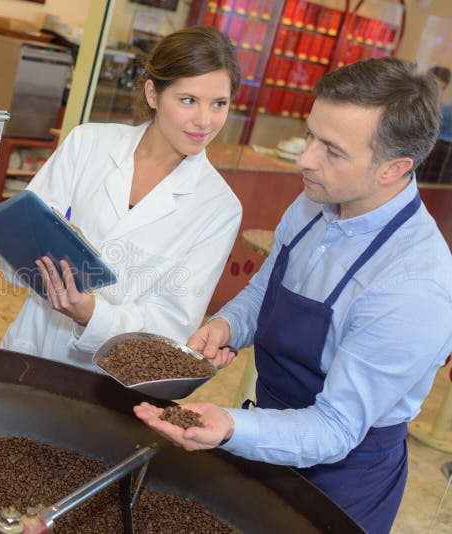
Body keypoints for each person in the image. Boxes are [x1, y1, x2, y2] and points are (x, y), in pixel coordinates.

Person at [135, 57, 452, 533]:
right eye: (309, 136)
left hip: (342, 482)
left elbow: (335, 429)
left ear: (395, 168)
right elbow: (265, 289)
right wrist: (227, 325)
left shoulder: (413, 287)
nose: (306, 158)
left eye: (332, 150)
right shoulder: (314, 200)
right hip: (268, 437)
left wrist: (230, 425)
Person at [0, 26, 243, 369]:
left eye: (219, 104)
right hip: (29, 349)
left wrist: (92, 315)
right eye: (188, 100)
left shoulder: (219, 207)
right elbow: (17, 241)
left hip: (108, 380)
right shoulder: (88, 144)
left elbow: (171, 326)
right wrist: (39, 267)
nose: (205, 121)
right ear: (153, 94)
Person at [417, 65, 452, 183]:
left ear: (444, 87)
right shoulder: (413, 106)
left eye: (436, 86)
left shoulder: (446, 113)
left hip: (432, 168)